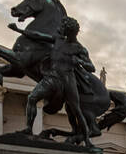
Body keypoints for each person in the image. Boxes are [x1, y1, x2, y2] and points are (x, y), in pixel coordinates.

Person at [10, 16, 99, 145]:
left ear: (68, 30)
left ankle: (86, 140)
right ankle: (29, 128)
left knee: (76, 110)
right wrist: (20, 30)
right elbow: (38, 36)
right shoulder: (58, 40)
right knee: (32, 98)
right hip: (52, 77)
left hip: (68, 80)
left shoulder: (79, 49)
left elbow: (91, 67)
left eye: (62, 27)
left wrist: (79, 61)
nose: (59, 29)